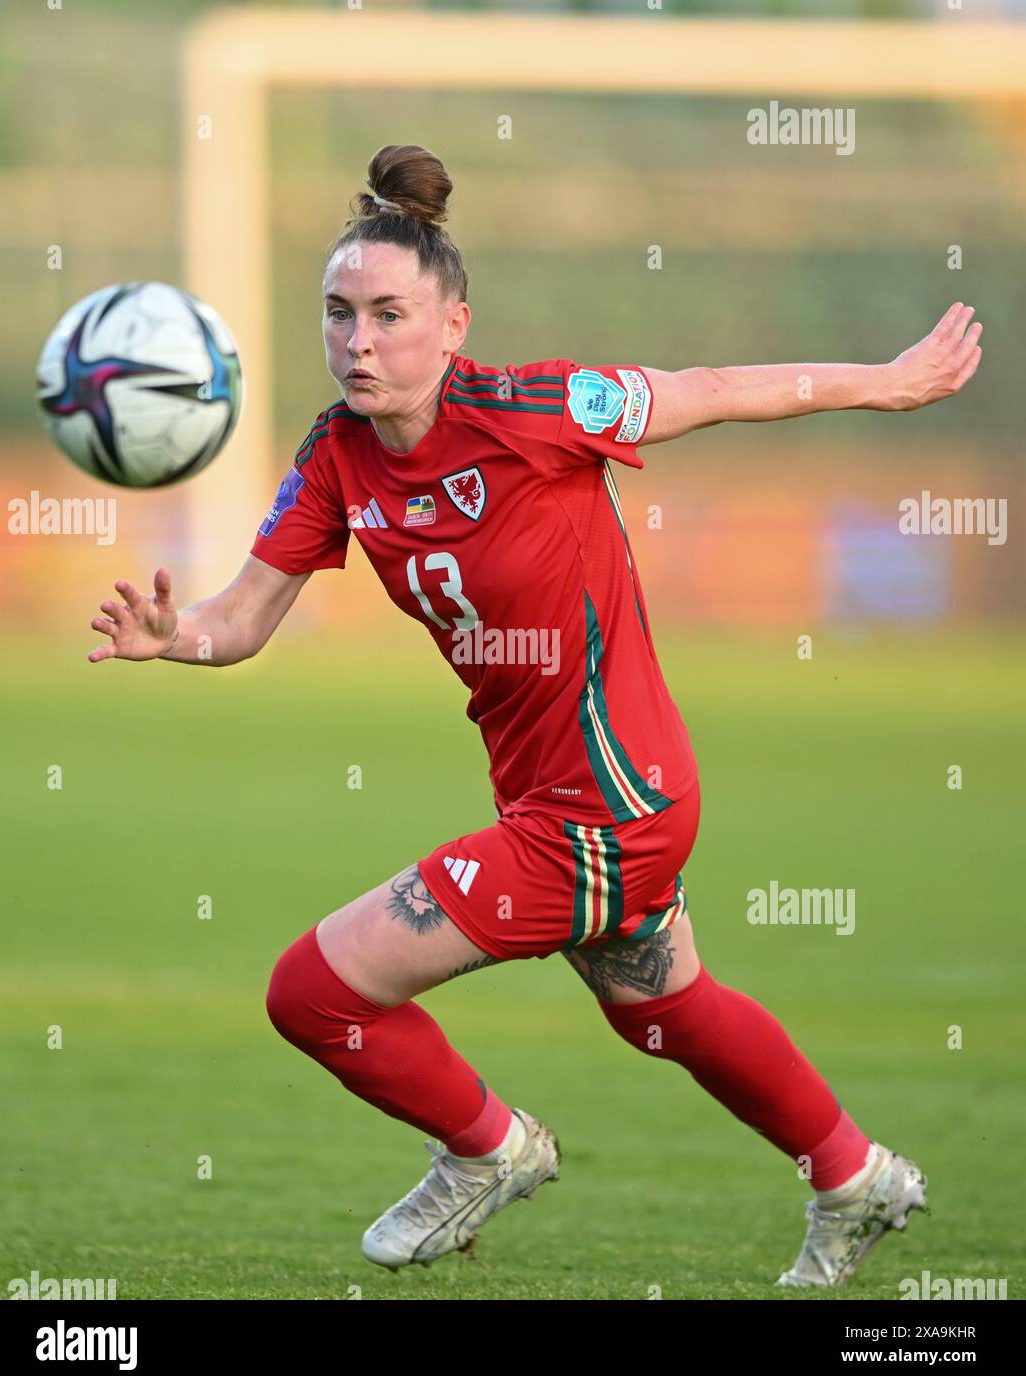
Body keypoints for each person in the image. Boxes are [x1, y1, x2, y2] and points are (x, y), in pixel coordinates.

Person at [88, 143, 982, 1288]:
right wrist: (178, 639)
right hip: (553, 796)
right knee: (662, 1010)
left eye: (389, 315)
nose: (358, 342)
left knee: (310, 992)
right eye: (339, 313)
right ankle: (855, 1178)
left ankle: (489, 1150)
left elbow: (708, 389)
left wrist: (885, 379)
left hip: (608, 806)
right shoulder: (335, 457)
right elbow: (244, 618)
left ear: (454, 324)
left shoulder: (538, 408)